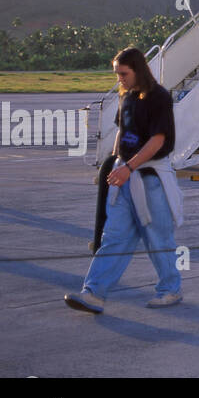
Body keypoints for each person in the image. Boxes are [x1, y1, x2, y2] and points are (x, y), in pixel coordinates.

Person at [65, 47, 183, 312]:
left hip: (149, 179)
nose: (119, 78)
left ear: (138, 70)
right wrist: (113, 162)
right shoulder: (126, 96)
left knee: (158, 238)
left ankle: (170, 289)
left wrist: (128, 167)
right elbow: (122, 131)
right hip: (124, 177)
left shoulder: (159, 98)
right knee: (114, 237)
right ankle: (93, 293)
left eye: (123, 73)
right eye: (117, 73)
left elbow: (158, 139)